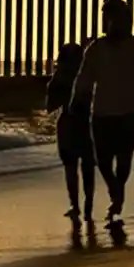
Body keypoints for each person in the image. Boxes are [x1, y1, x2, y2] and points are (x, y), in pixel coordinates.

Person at [71, 0, 134, 226]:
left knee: (124, 157)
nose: (111, 23)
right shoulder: (96, 49)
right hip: (101, 114)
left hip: (129, 113)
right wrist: (75, 103)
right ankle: (115, 190)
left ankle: (117, 196)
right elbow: (83, 80)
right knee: (103, 159)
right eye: (108, 18)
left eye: (115, 18)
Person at [46, 41, 94, 224]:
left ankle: (78, 206)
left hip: (69, 124)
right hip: (83, 123)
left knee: (73, 167)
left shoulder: (62, 78)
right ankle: (84, 205)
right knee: (84, 166)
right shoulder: (86, 76)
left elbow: (50, 106)